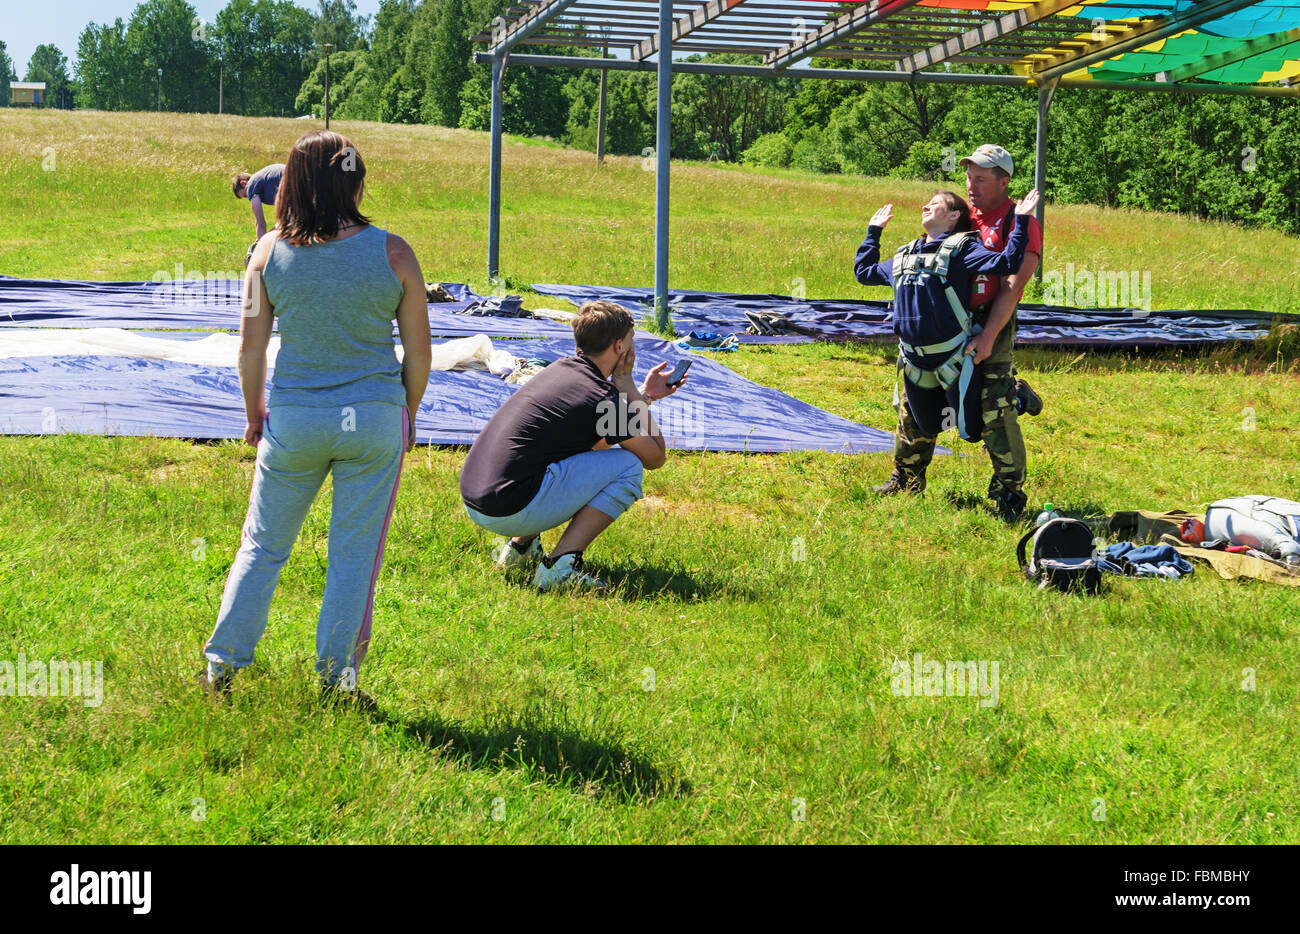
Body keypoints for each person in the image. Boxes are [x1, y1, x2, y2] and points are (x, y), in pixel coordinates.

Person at [201, 131, 433, 708]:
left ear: (290, 184)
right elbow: (420, 353)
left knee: (262, 545)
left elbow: (250, 350)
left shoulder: (265, 254)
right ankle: (337, 680)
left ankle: (221, 666)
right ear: (354, 180)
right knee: (354, 555)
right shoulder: (395, 252)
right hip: (374, 421)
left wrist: (254, 411)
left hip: (295, 420)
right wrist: (405, 414)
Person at [459, 301, 687, 591]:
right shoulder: (602, 396)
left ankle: (520, 549)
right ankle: (560, 568)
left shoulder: (561, 369)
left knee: (576, 455)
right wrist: (628, 386)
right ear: (619, 347)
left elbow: (602, 440)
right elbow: (655, 457)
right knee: (628, 466)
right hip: (510, 508)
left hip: (478, 500)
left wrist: (644, 396)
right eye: (632, 342)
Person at [871, 144, 1044, 520]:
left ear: (1003, 181)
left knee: (992, 408)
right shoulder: (965, 216)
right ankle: (907, 476)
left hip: (990, 319)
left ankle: (1009, 493)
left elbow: (1013, 285)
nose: (971, 184)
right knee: (917, 395)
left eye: (981, 178)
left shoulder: (1017, 219)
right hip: (946, 320)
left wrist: (986, 337)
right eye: (968, 176)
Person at [233, 163, 285, 254]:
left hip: (292, 190)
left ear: (243, 183)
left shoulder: (251, 187)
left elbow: (260, 223)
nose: (248, 197)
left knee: (283, 226)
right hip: (301, 182)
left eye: (245, 195)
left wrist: (260, 245)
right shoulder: (262, 178)